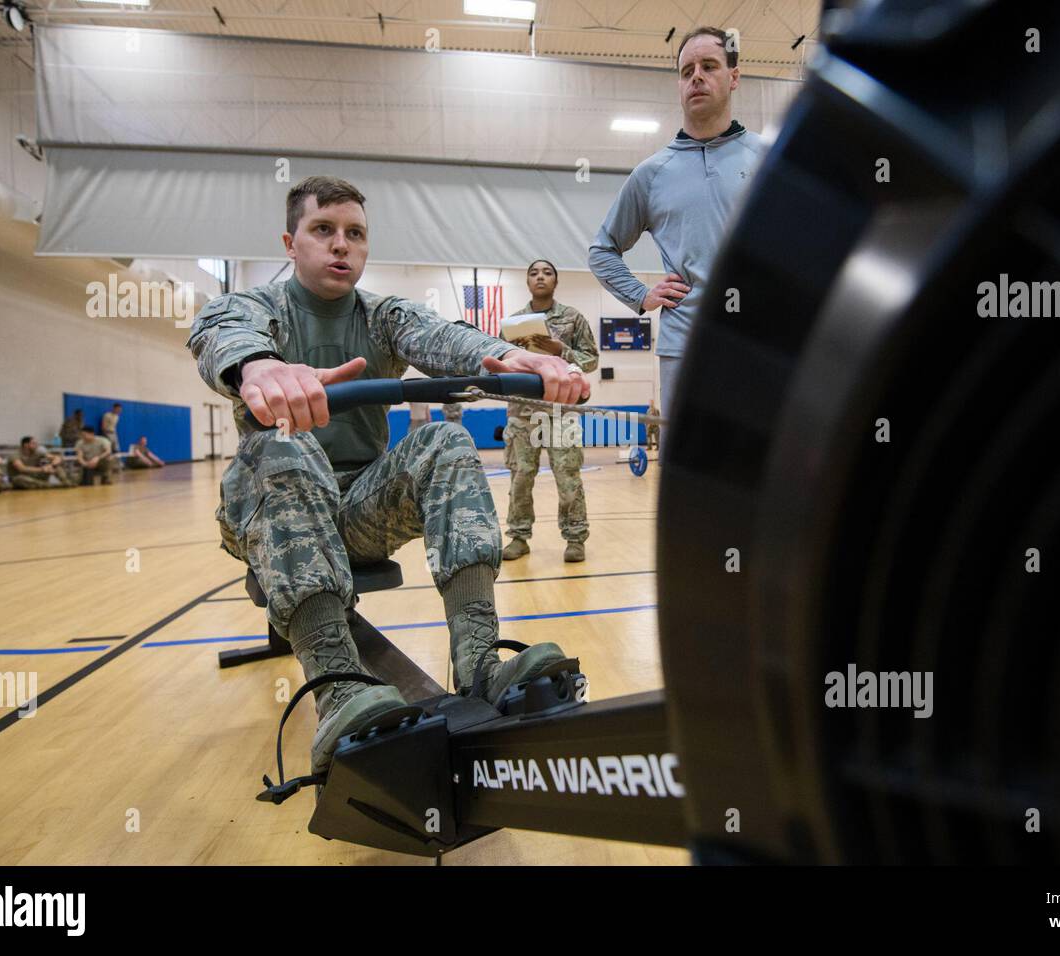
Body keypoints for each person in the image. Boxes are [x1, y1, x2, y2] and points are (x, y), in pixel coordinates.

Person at [186, 175, 588, 775]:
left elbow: (441, 336)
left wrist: (510, 356)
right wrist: (259, 366)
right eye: (323, 230)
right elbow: (219, 330)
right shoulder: (256, 308)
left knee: (446, 440)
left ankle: (479, 661)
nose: (341, 244)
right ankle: (338, 688)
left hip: (358, 512)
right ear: (290, 244)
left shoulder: (383, 316)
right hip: (275, 517)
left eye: (355, 234)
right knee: (283, 444)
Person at [588, 26, 767, 421]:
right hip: (683, 348)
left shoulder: (770, 158)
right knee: (686, 457)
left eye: (709, 66)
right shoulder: (651, 174)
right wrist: (641, 295)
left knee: (755, 457)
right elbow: (602, 251)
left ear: (734, 77)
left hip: (759, 344)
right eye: (687, 71)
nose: (696, 77)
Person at [500, 259, 599, 563]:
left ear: (556, 281)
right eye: (534, 273)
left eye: (547, 272)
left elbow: (591, 360)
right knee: (520, 477)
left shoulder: (572, 318)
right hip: (522, 411)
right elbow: (500, 362)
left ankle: (575, 538)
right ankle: (518, 537)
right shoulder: (512, 323)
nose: (540, 277)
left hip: (561, 411)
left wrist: (561, 351)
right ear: (527, 282)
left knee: (567, 476)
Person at [9, 436, 76, 489]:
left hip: (35, 476)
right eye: (33, 443)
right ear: (26, 445)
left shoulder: (37, 452)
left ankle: (67, 483)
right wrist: (42, 469)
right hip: (22, 478)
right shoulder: (15, 455)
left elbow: (56, 457)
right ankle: (49, 485)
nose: (36, 445)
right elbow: (22, 468)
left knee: (57, 468)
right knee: (19, 479)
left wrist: (52, 465)